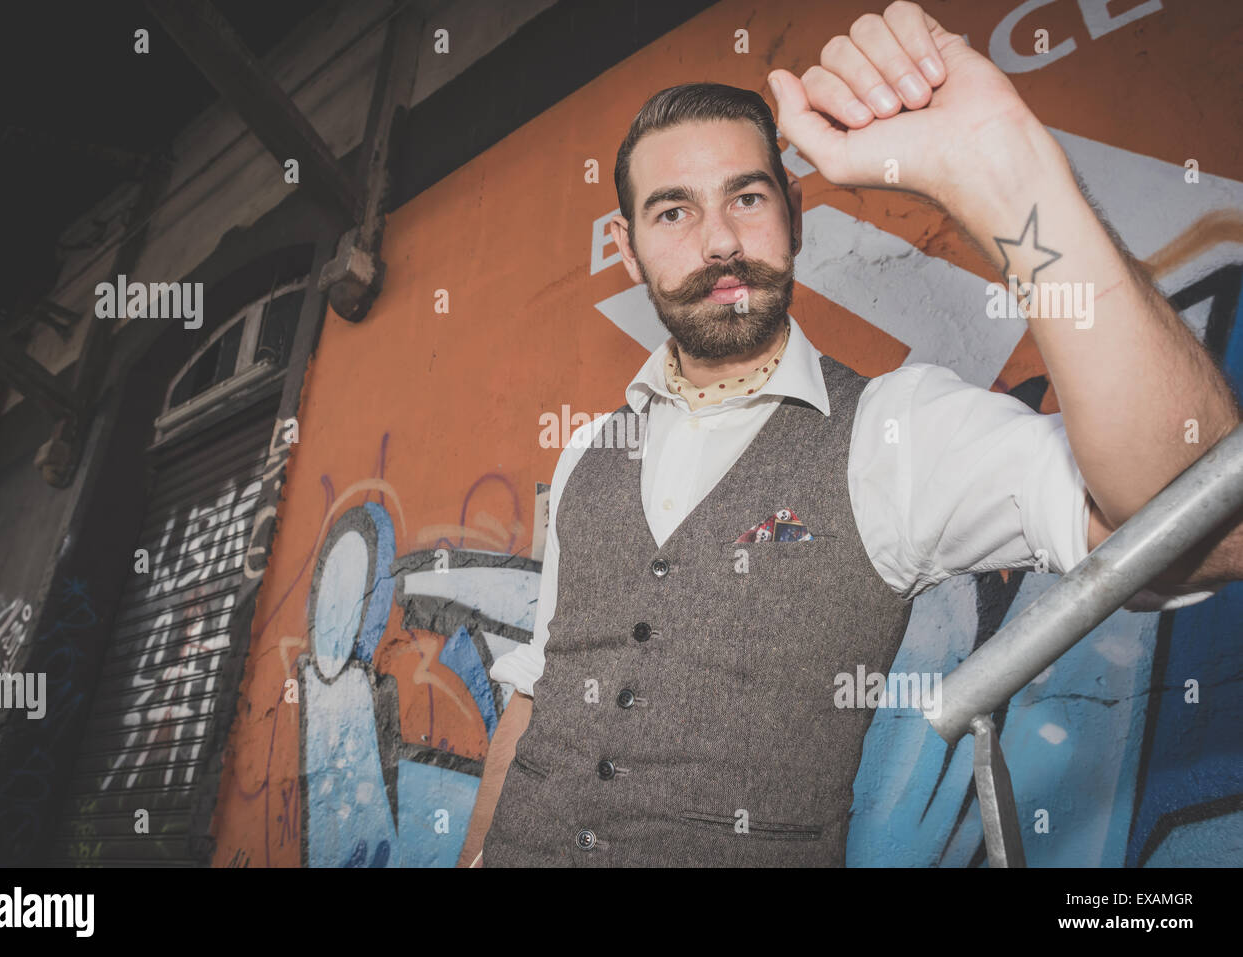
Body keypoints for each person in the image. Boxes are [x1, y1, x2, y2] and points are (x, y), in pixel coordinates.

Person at [459, 1, 1242, 867]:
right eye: (673, 212)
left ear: (794, 214)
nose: (720, 242)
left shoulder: (893, 434)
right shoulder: (587, 454)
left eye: (747, 197)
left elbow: (1200, 520)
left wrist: (1013, 173)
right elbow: (540, 690)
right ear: (628, 246)